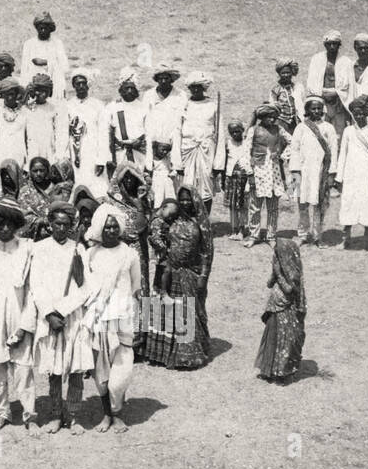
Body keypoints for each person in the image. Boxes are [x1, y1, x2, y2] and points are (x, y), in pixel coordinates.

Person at [0, 199, 37, 434]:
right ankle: (2, 413)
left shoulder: (27, 247)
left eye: (10, 224)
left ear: (17, 225)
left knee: (23, 368)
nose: (4, 229)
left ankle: (29, 414)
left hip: (19, 315)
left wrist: (24, 326)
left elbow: (32, 291)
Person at [31, 202, 91, 434]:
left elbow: (84, 287)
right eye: (57, 223)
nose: (61, 228)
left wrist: (64, 310)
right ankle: (56, 414)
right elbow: (36, 285)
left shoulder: (79, 250)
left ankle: (73, 415)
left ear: (72, 226)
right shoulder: (39, 248)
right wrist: (49, 313)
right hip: (50, 319)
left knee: (75, 369)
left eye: (66, 224)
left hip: (72, 316)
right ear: (49, 225)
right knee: (54, 370)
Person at [82, 213, 140, 432]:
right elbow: (85, 288)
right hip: (98, 319)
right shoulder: (90, 254)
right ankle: (110, 414)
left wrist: (139, 316)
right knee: (101, 374)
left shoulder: (130, 254)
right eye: (107, 227)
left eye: (115, 227)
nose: (111, 231)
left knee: (120, 375)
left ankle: (117, 408)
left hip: (123, 317)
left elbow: (137, 286)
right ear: (99, 229)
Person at [144, 188, 213, 369]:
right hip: (169, 270)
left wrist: (203, 277)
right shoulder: (173, 218)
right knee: (163, 308)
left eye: (187, 200)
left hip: (191, 273)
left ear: (195, 201)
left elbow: (207, 252)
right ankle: (159, 353)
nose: (184, 203)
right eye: (181, 200)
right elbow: (157, 231)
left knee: (188, 312)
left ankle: (187, 355)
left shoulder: (201, 223)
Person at [335, 95, 368, 251]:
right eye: (355, 113)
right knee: (348, 205)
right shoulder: (348, 131)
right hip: (351, 175)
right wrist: (339, 177)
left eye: (361, 113)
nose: (358, 116)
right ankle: (346, 238)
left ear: (366, 114)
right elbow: (342, 154)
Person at [288, 96, 337, 246]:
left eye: (318, 108)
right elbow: (294, 150)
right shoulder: (301, 128)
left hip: (321, 171)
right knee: (303, 204)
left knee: (319, 205)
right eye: (313, 108)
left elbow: (334, 151)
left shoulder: (329, 128)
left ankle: (317, 235)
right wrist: (295, 172)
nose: (316, 111)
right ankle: (302, 234)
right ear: (307, 110)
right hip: (304, 171)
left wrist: (331, 173)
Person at [255, 239, 306, 382]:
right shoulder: (280, 264)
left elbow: (289, 289)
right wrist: (274, 272)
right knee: (272, 339)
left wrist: (277, 273)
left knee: (284, 341)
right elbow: (269, 283)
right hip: (275, 306)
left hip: (285, 311)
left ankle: (282, 372)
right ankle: (269, 370)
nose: (275, 257)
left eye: (278, 255)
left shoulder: (293, 272)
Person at [241, 103, 290, 248]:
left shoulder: (278, 129)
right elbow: (245, 152)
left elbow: (293, 142)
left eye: (274, 117)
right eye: (269, 117)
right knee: (255, 206)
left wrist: (282, 155)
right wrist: (250, 173)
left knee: (273, 206)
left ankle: (271, 235)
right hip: (258, 170)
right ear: (262, 117)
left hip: (273, 172)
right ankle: (254, 235)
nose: (272, 120)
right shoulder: (253, 130)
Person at [179, 72, 223, 216]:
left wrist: (218, 164)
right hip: (187, 151)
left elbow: (220, 135)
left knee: (206, 188)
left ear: (204, 87)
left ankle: (204, 222)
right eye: (192, 87)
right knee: (187, 187)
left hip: (206, 151)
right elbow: (177, 132)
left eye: (198, 87)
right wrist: (177, 162)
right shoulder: (184, 105)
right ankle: (189, 223)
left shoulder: (212, 106)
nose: (195, 90)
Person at [305, 31, 354, 140]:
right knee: (320, 135)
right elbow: (311, 83)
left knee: (339, 137)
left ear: (339, 44)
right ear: (325, 45)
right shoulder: (316, 60)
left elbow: (351, 87)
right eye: (329, 43)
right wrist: (322, 93)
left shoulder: (346, 62)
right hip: (321, 104)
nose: (332, 46)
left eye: (335, 43)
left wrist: (336, 92)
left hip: (339, 105)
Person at [64, 68, 107, 188]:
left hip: (93, 151)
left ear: (88, 85)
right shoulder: (68, 106)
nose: (81, 86)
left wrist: (101, 159)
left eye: (84, 83)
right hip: (75, 153)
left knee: (96, 185)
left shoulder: (98, 105)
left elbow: (103, 134)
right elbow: (64, 133)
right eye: (78, 84)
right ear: (73, 85)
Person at [143, 65, 186, 170]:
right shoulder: (149, 95)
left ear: (171, 79)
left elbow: (182, 120)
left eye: (166, 78)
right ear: (156, 79)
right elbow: (145, 120)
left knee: (174, 173)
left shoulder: (180, 95)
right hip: (153, 142)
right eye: (160, 78)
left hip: (174, 141)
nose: (163, 81)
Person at [105, 67, 148, 172]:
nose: (129, 91)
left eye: (132, 88)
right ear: (121, 89)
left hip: (140, 155)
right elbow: (107, 134)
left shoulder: (144, 107)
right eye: (126, 88)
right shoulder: (112, 107)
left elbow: (150, 132)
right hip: (120, 154)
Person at [0, 77, 29, 172]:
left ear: (17, 94)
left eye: (12, 94)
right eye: (6, 94)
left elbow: (28, 138)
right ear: (2, 96)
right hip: (1, 154)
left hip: (19, 154)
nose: (9, 97)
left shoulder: (25, 112)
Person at [20, 11, 70, 89]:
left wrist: (46, 62)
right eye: (41, 28)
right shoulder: (29, 44)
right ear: (37, 28)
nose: (43, 31)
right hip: (34, 84)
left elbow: (65, 66)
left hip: (53, 83)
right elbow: (24, 69)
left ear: (50, 29)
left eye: (45, 28)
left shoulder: (57, 43)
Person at [220, 120, 249, 240]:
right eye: (232, 132)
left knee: (242, 205)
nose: (235, 134)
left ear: (242, 130)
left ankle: (243, 229)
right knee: (232, 205)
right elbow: (224, 162)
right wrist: (223, 179)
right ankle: (234, 229)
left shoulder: (247, 143)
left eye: (237, 131)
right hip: (231, 178)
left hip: (244, 177)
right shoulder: (228, 144)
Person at [24, 74, 58, 165]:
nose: (42, 94)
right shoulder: (27, 109)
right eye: (38, 90)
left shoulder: (53, 108)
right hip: (32, 146)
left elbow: (57, 131)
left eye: (45, 91)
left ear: (49, 92)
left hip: (48, 147)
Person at [269, 62, 300, 134]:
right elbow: (272, 106)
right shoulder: (276, 89)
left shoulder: (297, 87)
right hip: (281, 121)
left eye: (288, 72)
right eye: (283, 73)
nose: (286, 75)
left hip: (295, 122)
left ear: (292, 73)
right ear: (279, 74)